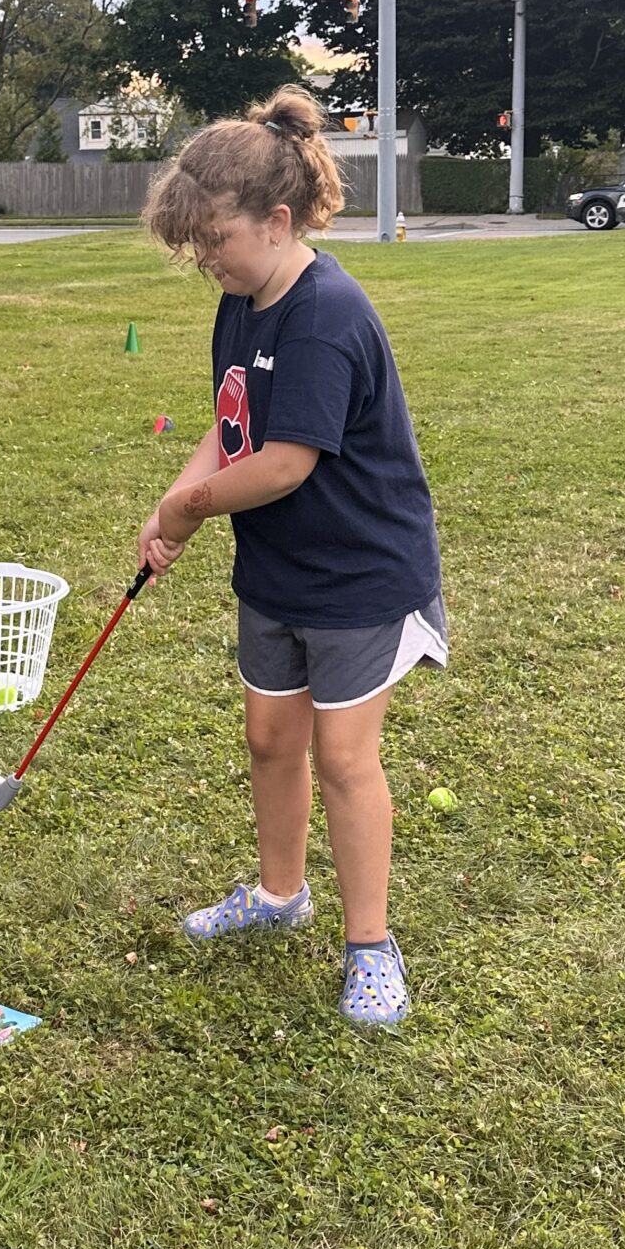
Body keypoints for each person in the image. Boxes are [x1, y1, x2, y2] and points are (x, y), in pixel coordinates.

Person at [134, 86, 445, 1029]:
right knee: (272, 737)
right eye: (195, 249)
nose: (206, 261)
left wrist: (189, 509)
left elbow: (281, 465)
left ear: (276, 222)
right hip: (279, 571)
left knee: (344, 758)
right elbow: (232, 424)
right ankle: (279, 894)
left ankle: (371, 946)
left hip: (360, 576)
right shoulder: (243, 299)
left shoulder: (323, 316)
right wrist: (173, 502)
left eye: (214, 241)